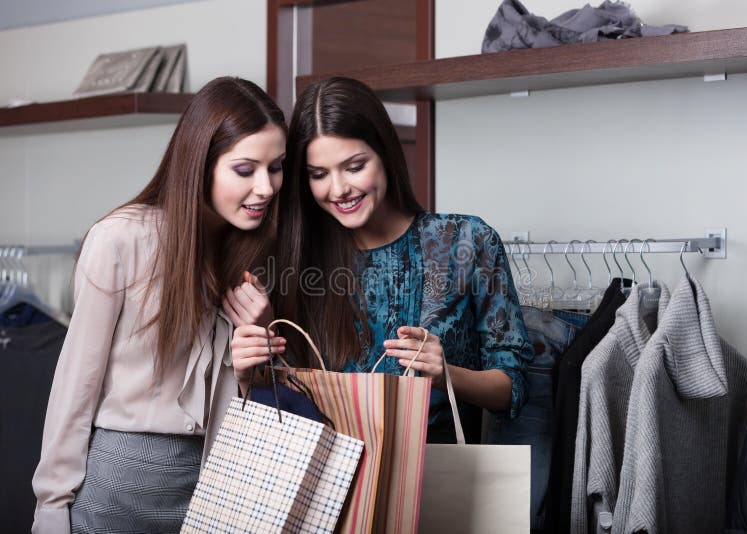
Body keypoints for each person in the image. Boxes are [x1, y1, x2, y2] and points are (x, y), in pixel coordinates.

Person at [32, 76, 288, 534]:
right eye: (246, 170)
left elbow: (253, 407)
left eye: (277, 167)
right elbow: (75, 386)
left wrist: (257, 344)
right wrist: (51, 510)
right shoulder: (119, 239)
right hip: (119, 485)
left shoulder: (254, 252)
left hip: (216, 486)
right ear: (200, 164)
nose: (267, 187)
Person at [231, 76, 533, 443]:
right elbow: (279, 404)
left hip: (435, 481)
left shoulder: (467, 242)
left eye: (355, 166)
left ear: (386, 154)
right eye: (319, 175)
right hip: (329, 484)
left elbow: (513, 386)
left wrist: (446, 374)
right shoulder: (292, 258)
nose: (339, 189)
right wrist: (251, 367)